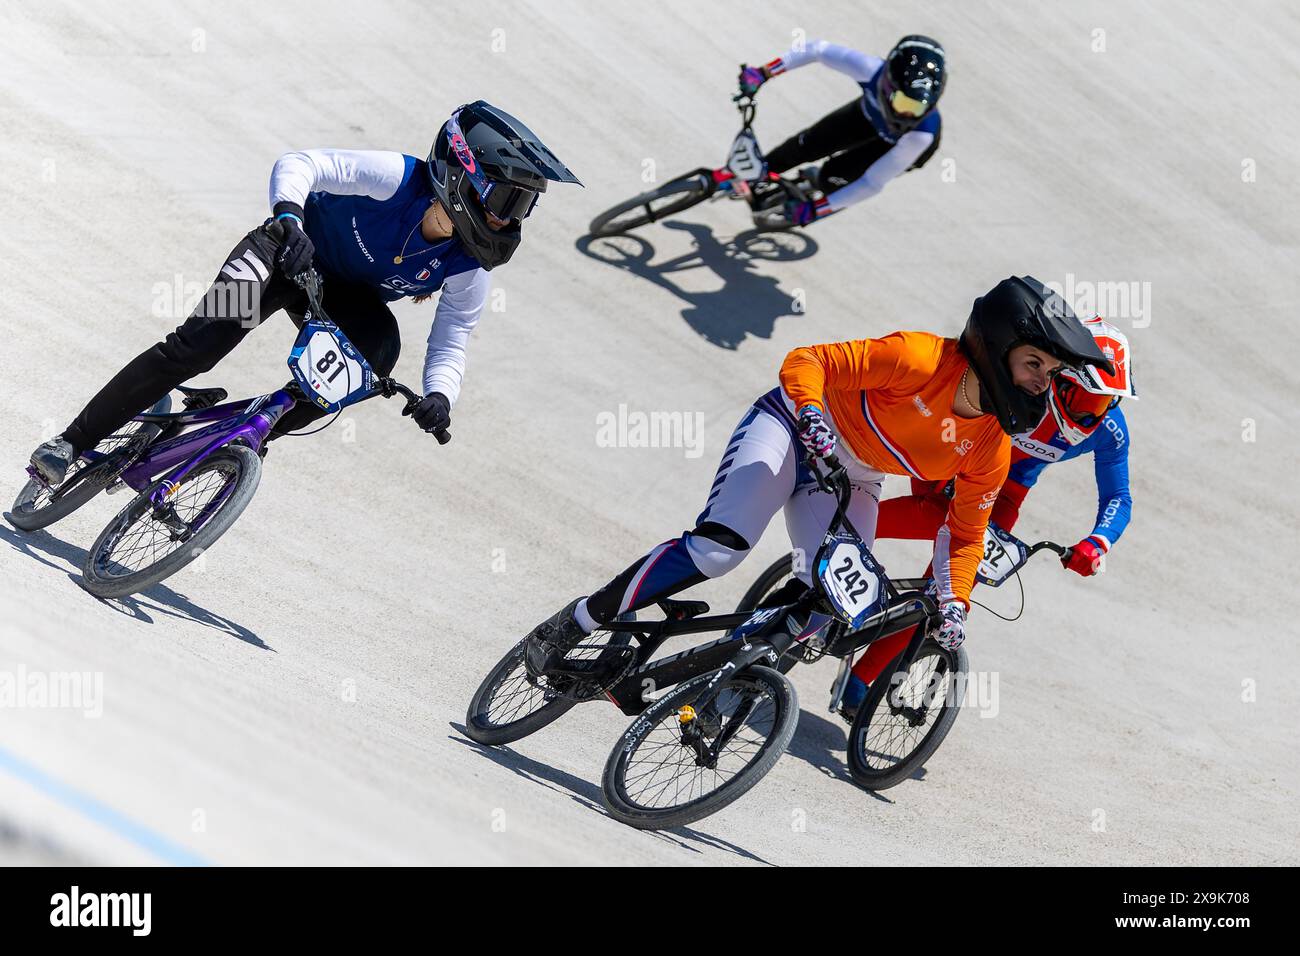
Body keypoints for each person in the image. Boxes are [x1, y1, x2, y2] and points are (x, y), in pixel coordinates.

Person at [523, 276, 1113, 678]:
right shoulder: (918, 358)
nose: (1042, 380)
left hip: (854, 478)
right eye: (1034, 363)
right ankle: (576, 621)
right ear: (997, 346)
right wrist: (809, 412)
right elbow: (807, 362)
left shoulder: (992, 448)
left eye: (1051, 370)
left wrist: (954, 603)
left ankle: (719, 675)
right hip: (793, 429)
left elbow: (964, 534)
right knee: (720, 550)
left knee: (834, 600)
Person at [29, 101, 580, 485]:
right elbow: (302, 164)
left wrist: (441, 396)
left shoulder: (468, 266)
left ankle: (245, 440)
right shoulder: (396, 178)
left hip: (337, 295)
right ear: (464, 178)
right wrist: (289, 220)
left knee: (377, 354)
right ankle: (69, 444)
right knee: (192, 349)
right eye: (508, 200)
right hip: (282, 254)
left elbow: (453, 336)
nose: (512, 220)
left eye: (522, 206)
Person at [838, 316, 1138, 718]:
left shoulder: (1109, 429)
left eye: (1104, 403)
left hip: (1005, 493)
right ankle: (835, 547)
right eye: (1086, 400)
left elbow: (1119, 496)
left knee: (947, 595)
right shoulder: (1026, 387)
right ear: (1061, 380)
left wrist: (1098, 542)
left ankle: (860, 679)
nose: (1091, 416)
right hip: (954, 461)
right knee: (928, 517)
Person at [735, 35, 945, 226]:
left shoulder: (921, 135)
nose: (910, 116)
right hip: (868, 116)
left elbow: (871, 183)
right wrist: (764, 72)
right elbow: (816, 50)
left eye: (919, 108)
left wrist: (815, 211)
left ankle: (820, 187)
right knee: (803, 146)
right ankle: (753, 176)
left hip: (897, 146)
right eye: (903, 104)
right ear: (888, 85)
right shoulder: (870, 69)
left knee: (833, 178)